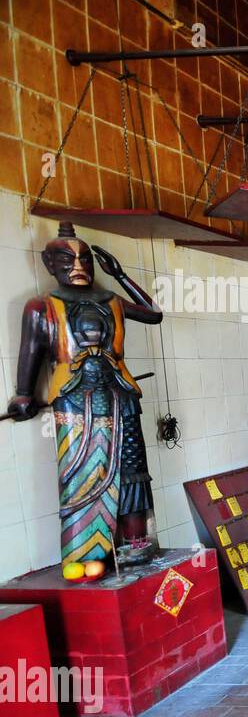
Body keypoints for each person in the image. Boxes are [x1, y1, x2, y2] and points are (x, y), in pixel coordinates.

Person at [6, 222, 162, 565]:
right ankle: (88, 555)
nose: (78, 267)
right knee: (82, 475)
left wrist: (119, 275)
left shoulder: (111, 300)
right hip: (75, 400)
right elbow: (31, 350)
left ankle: (137, 542)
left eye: (85, 260)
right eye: (67, 260)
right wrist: (23, 394)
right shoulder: (42, 306)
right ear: (49, 264)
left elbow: (154, 314)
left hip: (122, 396)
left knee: (132, 471)